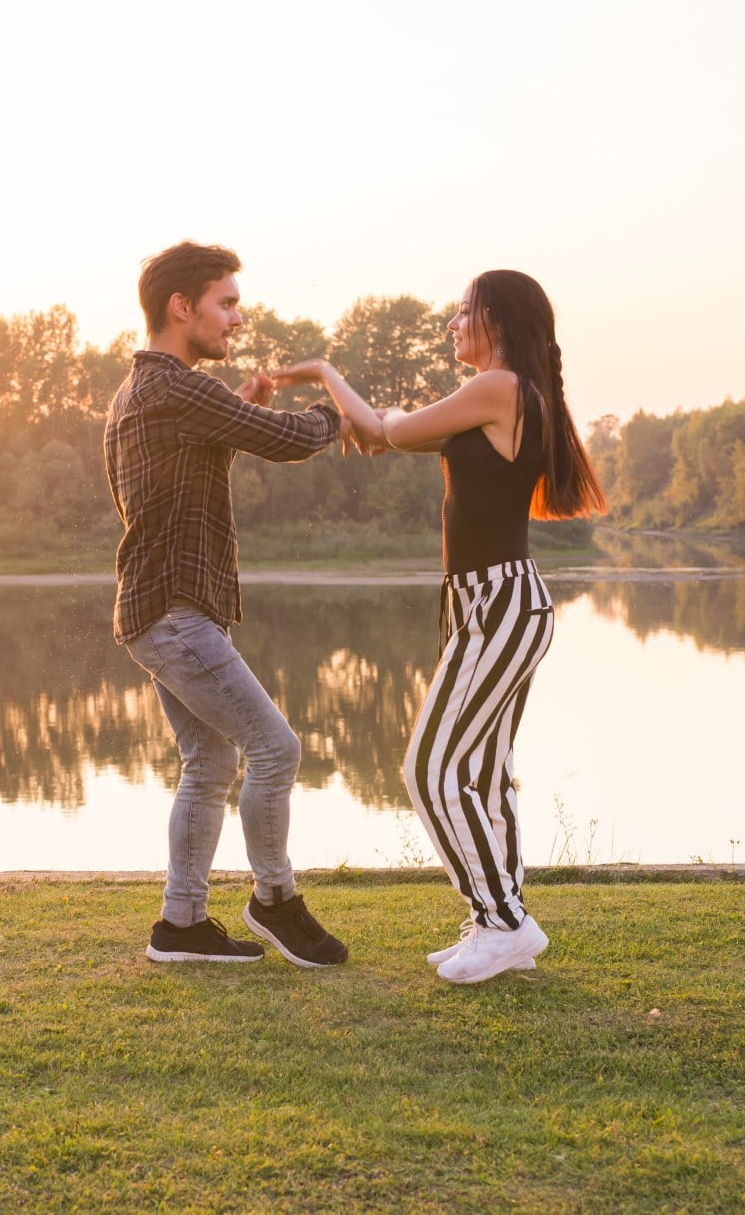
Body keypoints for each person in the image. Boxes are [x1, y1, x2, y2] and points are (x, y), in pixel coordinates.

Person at [272, 270, 605, 983]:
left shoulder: (501, 387)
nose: (451, 325)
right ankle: (500, 918)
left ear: (499, 323)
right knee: (481, 777)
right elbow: (381, 435)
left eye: (463, 313)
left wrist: (328, 369)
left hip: (499, 605)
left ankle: (505, 923)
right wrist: (340, 387)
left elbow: (387, 430)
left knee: (430, 768)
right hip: (488, 605)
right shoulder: (504, 394)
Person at [105, 241, 354, 968]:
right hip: (175, 612)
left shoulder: (139, 392)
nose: (237, 320)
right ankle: (275, 902)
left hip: (160, 610)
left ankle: (180, 926)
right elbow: (292, 437)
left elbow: (162, 487)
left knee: (208, 761)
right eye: (227, 303)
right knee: (276, 749)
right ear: (182, 308)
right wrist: (338, 400)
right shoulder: (173, 388)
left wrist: (228, 419)